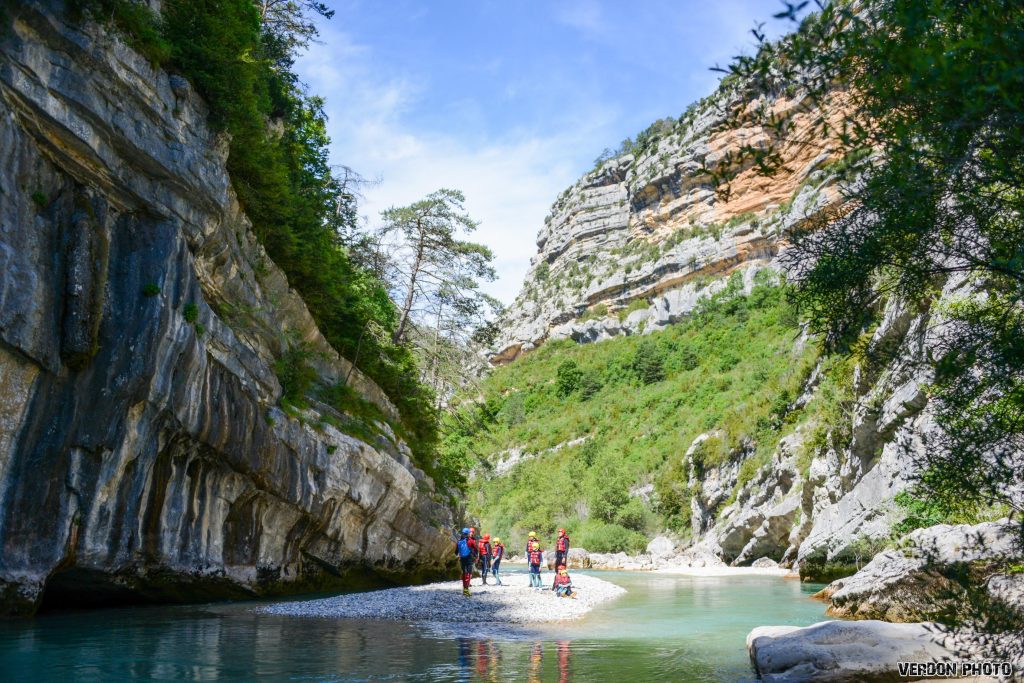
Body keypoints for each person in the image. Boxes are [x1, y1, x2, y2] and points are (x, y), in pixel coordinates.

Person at [456, 528, 474, 596]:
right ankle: (466, 589)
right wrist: (476, 557)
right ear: (468, 533)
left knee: (464, 573)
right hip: (469, 558)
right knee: (469, 573)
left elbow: (456, 552)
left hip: (462, 559)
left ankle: (464, 589)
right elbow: (475, 549)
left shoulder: (459, 541)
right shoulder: (470, 541)